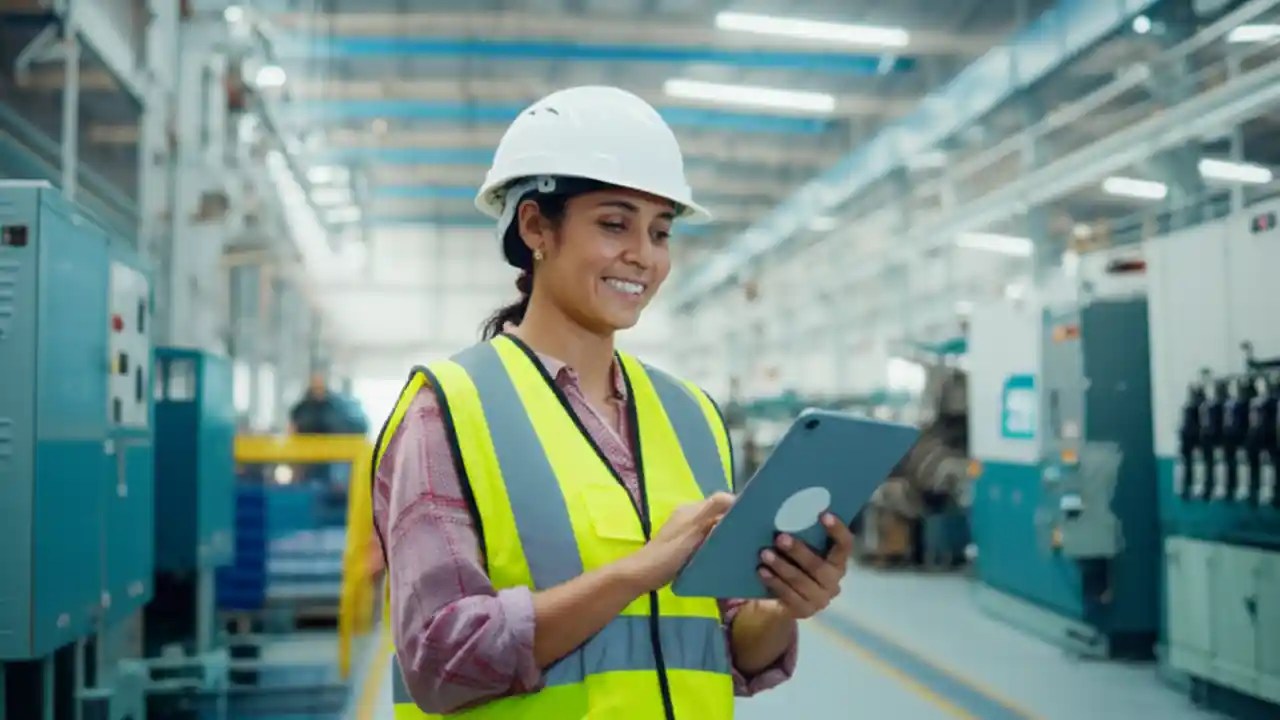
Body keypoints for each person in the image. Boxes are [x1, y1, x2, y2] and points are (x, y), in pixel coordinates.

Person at [370, 86, 854, 719]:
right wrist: (637, 572)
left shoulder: (693, 417)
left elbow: (726, 644)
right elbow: (439, 661)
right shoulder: (450, 411)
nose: (644, 257)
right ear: (536, 226)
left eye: (660, 232)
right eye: (613, 223)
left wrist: (783, 606)